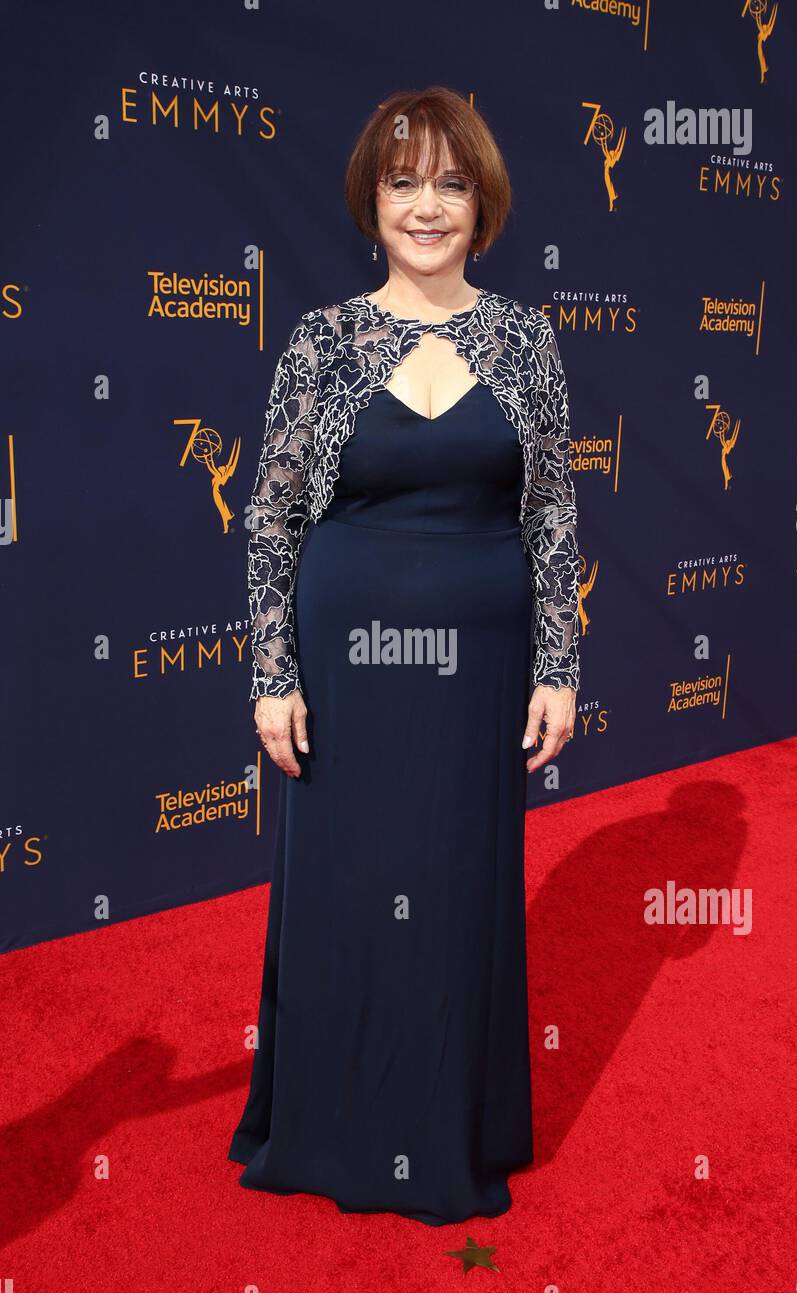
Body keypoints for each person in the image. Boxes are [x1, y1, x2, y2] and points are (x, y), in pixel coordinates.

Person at [228, 85, 580, 1226]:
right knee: (342, 887)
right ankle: (327, 1128)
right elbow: (272, 517)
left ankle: (450, 1130)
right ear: (368, 199)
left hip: (477, 671)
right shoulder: (323, 340)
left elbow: (553, 520)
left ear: (481, 202)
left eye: (449, 183)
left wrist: (557, 666)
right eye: (401, 182)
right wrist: (273, 675)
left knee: (456, 887)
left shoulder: (526, 338)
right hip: (348, 664)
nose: (425, 206)